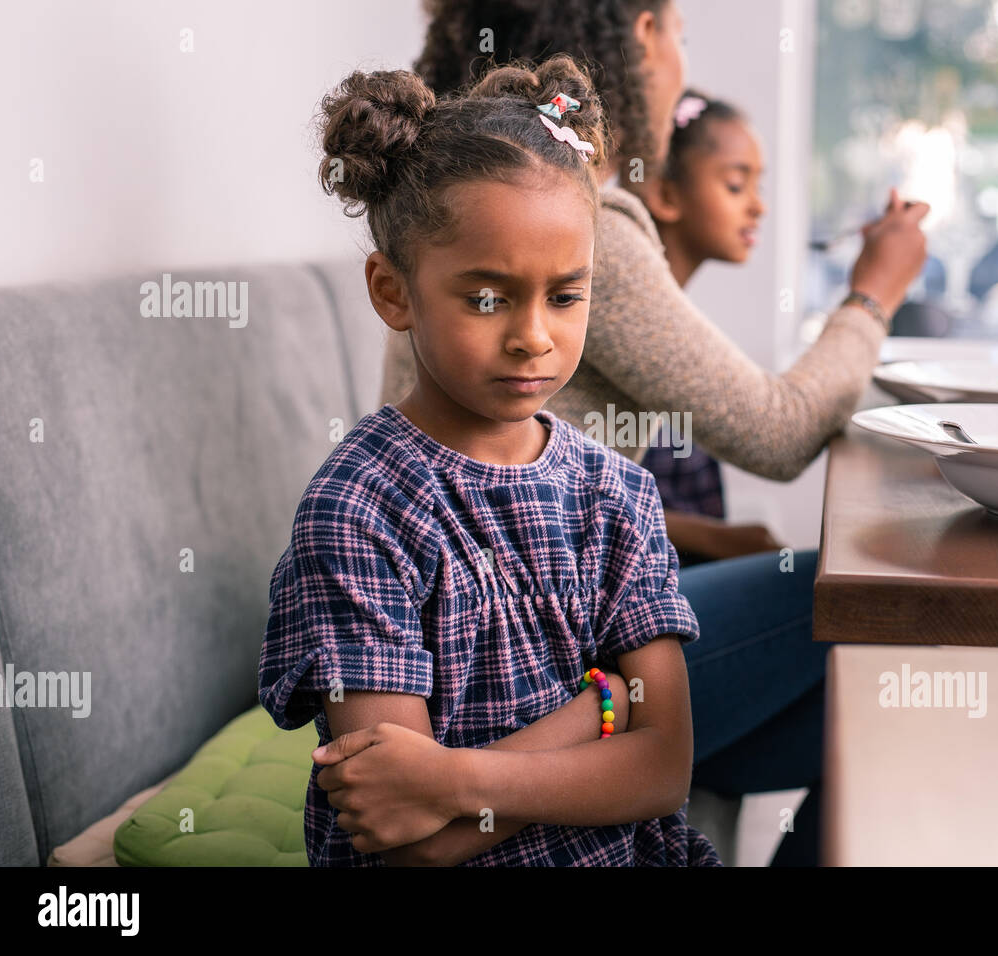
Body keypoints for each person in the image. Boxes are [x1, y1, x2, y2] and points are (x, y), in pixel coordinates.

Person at [378, 0, 929, 865]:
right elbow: (781, 433)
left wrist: (691, 534)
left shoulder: (463, 212)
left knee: (874, 708)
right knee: (885, 606)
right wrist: (874, 294)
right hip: (522, 665)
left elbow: (518, 486)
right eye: (678, 28)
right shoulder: (580, 220)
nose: (533, 328)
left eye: (566, 296)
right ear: (641, 34)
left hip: (529, 633)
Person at [259, 56, 719, 866]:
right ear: (393, 290)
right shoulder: (361, 507)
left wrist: (450, 779)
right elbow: (410, 846)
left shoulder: (618, 494)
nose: (533, 336)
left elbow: (662, 771)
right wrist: (598, 712)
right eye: (486, 298)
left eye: (566, 295)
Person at [634, 90, 782, 566]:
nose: (757, 207)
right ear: (665, 193)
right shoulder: (628, 325)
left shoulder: (673, 318)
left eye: (758, 186)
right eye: (737, 185)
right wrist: (720, 540)